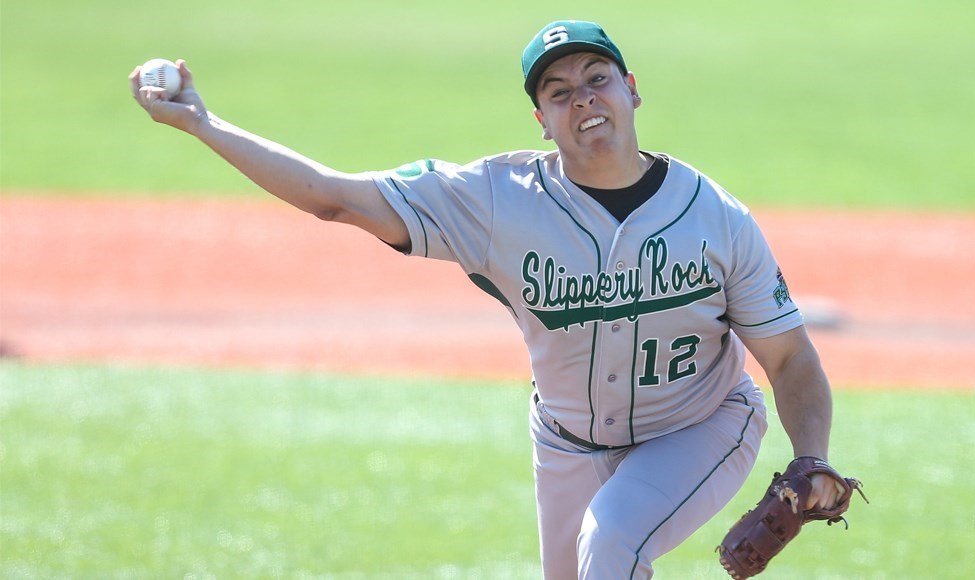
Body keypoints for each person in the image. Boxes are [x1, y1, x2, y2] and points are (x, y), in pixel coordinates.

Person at [130, 19, 847, 580]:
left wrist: (811, 456)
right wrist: (203, 124)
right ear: (540, 118)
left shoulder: (715, 217)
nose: (583, 99)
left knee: (614, 541)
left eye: (597, 79)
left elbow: (788, 359)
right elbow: (335, 199)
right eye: (559, 92)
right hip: (566, 443)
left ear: (632, 88)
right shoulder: (497, 203)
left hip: (698, 428)